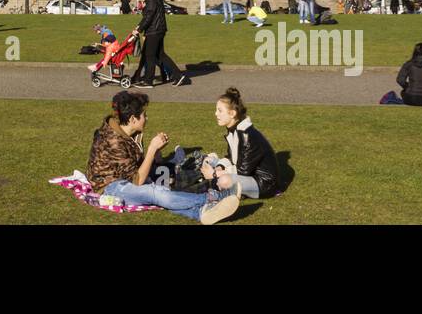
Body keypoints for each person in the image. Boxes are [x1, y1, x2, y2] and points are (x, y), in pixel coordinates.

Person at [85, 91, 240, 224]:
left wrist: (155, 153)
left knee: (162, 188)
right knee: (155, 192)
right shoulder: (114, 141)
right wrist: (152, 149)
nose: (147, 118)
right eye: (144, 115)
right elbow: (137, 181)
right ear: (132, 119)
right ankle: (215, 198)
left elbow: (133, 165)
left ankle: (201, 213)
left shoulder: (130, 131)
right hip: (109, 188)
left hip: (123, 178)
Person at [199, 87, 279, 199]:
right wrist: (219, 168)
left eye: (220, 110)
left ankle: (226, 190)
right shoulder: (234, 130)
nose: (216, 114)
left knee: (224, 180)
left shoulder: (247, 135)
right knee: (209, 160)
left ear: (232, 113)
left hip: (263, 183)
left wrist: (214, 174)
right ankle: (232, 190)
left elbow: (243, 170)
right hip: (247, 174)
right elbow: (231, 158)